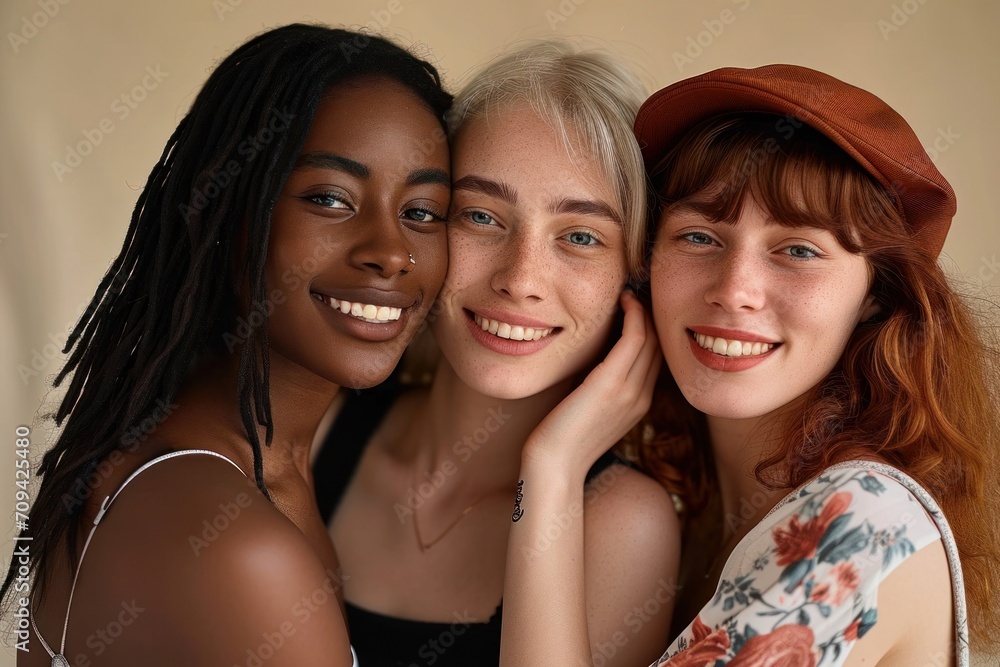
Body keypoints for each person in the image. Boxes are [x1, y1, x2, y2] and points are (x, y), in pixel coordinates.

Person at [500, 64, 1000, 666]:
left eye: (797, 251)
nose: (735, 290)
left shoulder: (859, 519)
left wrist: (550, 469)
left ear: (876, 294)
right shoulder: (703, 512)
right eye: (700, 237)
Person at [2, 24, 454, 666]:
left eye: (422, 211)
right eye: (329, 198)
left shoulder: (190, 452)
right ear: (227, 214)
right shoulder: (236, 544)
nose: (391, 252)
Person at [312, 41, 680, 667]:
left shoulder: (626, 524)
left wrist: (552, 473)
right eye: (481, 215)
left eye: (581, 236)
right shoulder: (320, 425)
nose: (520, 277)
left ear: (634, 272)